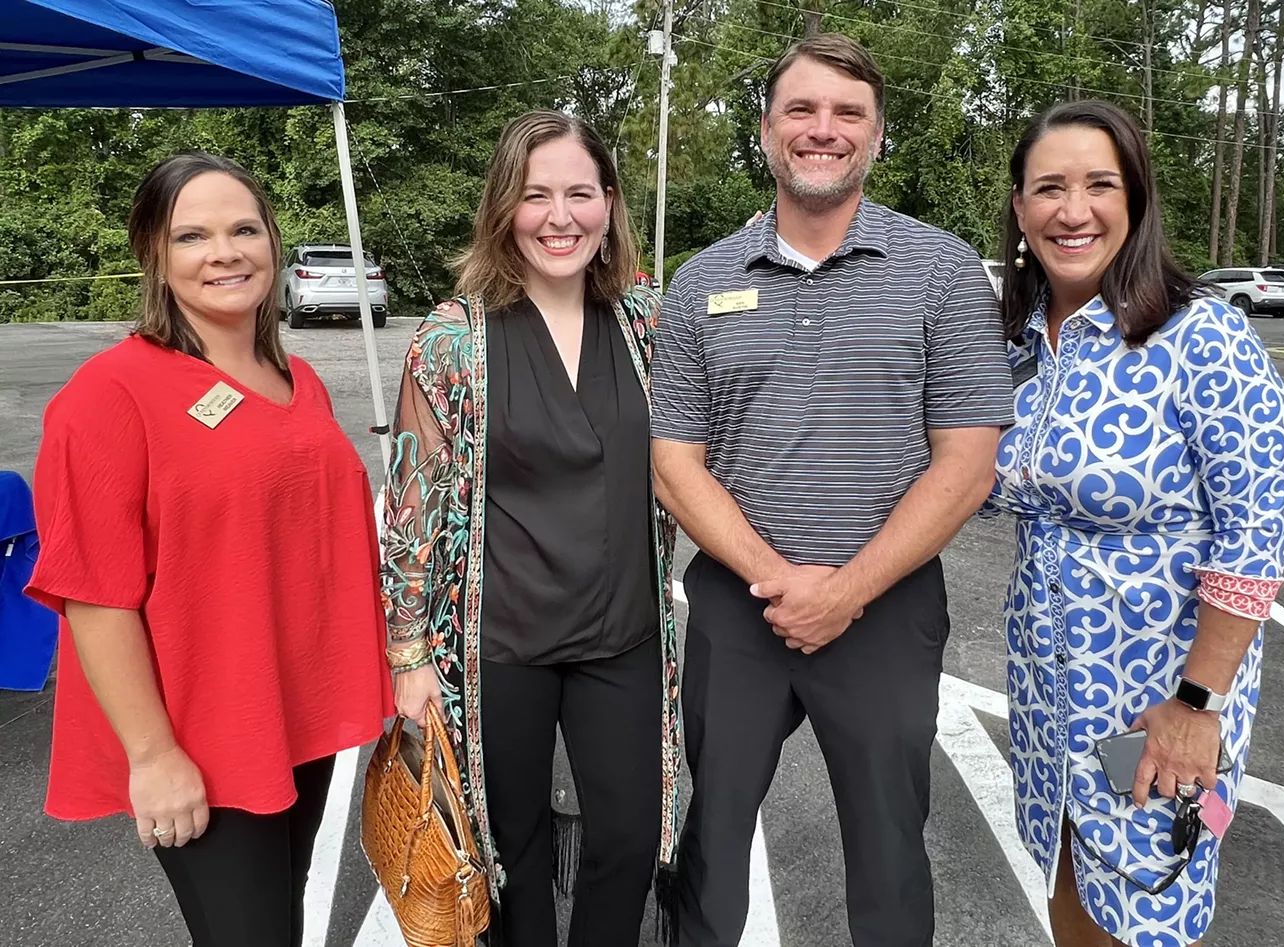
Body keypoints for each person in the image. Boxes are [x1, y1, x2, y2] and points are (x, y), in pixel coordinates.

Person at [651, 34, 1014, 947]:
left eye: (848, 113)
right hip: (740, 609)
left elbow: (967, 461)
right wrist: (780, 579)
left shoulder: (941, 272)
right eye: (801, 111)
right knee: (715, 835)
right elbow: (673, 461)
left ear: (878, 136)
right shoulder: (700, 283)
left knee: (891, 847)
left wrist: (845, 590)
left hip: (886, 611)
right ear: (767, 131)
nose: (824, 130)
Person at [23, 152, 394, 947]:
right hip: (203, 733)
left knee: (278, 922)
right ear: (153, 254)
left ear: (272, 242)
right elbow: (94, 592)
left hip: (298, 715)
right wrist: (153, 754)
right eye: (192, 235)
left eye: (243, 229)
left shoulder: (295, 378)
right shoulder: (108, 394)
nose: (224, 251)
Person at [985, 99, 1284, 947]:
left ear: (1136, 199)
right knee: (1069, 890)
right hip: (1050, 695)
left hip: (1155, 700)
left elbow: (1255, 539)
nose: (1072, 210)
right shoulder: (1023, 346)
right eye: (1048, 187)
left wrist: (1198, 702)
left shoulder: (1203, 338)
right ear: (1019, 209)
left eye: (1098, 185)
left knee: (1147, 911)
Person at [379, 109, 680, 947]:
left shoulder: (646, 321)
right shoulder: (451, 338)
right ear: (504, 208)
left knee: (629, 837)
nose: (560, 216)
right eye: (535, 195)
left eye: (580, 193)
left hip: (622, 634)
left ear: (610, 202)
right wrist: (408, 655)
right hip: (498, 643)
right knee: (512, 846)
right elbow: (411, 507)